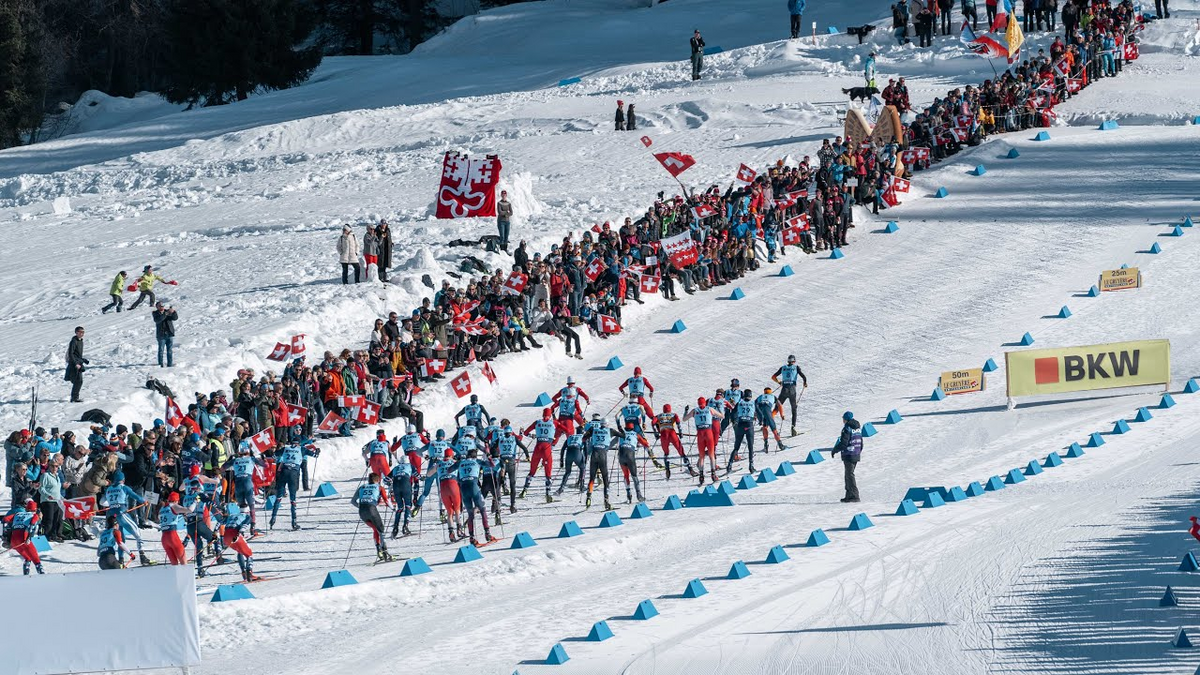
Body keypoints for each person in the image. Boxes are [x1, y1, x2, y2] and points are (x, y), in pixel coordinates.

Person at [104, 470, 152, 565]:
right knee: (137, 533)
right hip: (121, 513)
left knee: (120, 538)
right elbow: (135, 496)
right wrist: (144, 501)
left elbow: (102, 502)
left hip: (111, 515)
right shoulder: (124, 487)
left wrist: (112, 504)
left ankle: (121, 559)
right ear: (123, 479)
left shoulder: (108, 489)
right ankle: (142, 556)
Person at [271, 439, 317, 531]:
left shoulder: (285, 448)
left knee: (279, 497)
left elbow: (274, 455)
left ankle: (273, 519)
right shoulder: (301, 449)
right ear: (298, 444)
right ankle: (294, 522)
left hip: (284, 472)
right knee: (292, 499)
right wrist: (317, 451)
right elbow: (315, 455)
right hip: (293, 474)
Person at [351, 473, 394, 562]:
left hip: (362, 512)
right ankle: (385, 551)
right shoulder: (379, 487)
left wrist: (361, 506)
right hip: (372, 510)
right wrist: (393, 509)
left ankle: (378, 550)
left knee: (375, 529)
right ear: (378, 480)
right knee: (381, 530)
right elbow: (386, 500)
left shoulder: (362, 487)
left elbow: (353, 501)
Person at [520, 408, 559, 503]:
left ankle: (525, 490)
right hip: (547, 449)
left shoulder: (537, 422)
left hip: (538, 448)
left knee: (532, 471)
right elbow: (567, 430)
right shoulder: (554, 422)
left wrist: (532, 436)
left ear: (543, 414)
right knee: (548, 473)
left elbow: (525, 433)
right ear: (550, 415)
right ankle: (548, 494)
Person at [683, 397, 722, 485]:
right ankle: (713, 474)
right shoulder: (709, 409)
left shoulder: (694, 410)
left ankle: (701, 476)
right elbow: (721, 416)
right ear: (705, 403)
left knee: (701, 456)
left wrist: (685, 411)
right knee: (711, 455)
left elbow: (684, 419)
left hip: (700, 434)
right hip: (709, 433)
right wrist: (719, 409)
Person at [221, 502, 262, 581]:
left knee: (240, 551)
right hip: (235, 535)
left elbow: (221, 522)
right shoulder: (247, 516)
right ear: (247, 511)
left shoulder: (232, 515)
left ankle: (243, 572)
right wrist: (240, 533)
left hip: (226, 537)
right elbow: (244, 526)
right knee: (249, 554)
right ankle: (249, 573)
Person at [3, 501, 44, 574]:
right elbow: (35, 522)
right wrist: (40, 518)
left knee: (28, 558)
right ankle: (42, 574)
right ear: (35, 510)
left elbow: (5, 519)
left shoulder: (17, 514)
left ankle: (25, 574)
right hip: (24, 539)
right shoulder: (34, 515)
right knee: (36, 560)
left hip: (13, 541)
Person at [582, 414, 614, 510]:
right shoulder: (607, 429)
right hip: (602, 450)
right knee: (605, 478)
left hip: (592, 448)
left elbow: (584, 434)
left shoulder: (590, 425)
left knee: (590, 474)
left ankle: (588, 496)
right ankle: (606, 500)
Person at [830, 411, 863, 502]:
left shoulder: (847, 428)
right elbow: (861, 442)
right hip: (856, 453)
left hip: (849, 454)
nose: (843, 420)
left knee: (849, 475)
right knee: (848, 475)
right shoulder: (858, 428)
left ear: (846, 419)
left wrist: (835, 450)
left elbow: (844, 443)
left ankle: (855, 496)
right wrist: (858, 451)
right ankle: (849, 495)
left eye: (843, 418)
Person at [771, 354, 809, 435]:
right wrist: (805, 383)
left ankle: (767, 423)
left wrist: (779, 382)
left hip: (784, 389)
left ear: (788, 361)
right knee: (794, 409)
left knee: (777, 407)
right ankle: (793, 428)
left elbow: (773, 377)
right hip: (792, 390)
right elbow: (804, 377)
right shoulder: (796, 367)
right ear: (794, 361)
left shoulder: (783, 368)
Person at [653, 404, 693, 479]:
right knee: (681, 451)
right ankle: (690, 468)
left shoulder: (658, 416)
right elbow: (678, 422)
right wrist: (680, 432)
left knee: (666, 453)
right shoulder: (673, 415)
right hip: (672, 434)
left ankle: (667, 469)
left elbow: (653, 423)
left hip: (663, 435)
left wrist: (656, 434)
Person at [158, 492, 190, 566]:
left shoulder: (162, 508)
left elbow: (159, 518)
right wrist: (195, 501)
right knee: (183, 563)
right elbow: (189, 510)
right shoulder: (174, 506)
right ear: (176, 501)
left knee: (174, 564)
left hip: (164, 538)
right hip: (172, 537)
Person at [65, 326, 87, 403]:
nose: (82, 334)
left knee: (78, 381)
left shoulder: (80, 341)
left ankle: (74, 397)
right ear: (76, 332)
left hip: (78, 362)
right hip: (74, 364)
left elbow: (77, 354)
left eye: (83, 332)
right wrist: (76, 364)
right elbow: (71, 354)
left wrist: (83, 360)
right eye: (80, 332)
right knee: (78, 381)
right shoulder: (74, 341)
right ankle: (74, 398)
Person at [152, 302, 178, 368]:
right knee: (161, 350)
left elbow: (175, 318)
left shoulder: (167, 312)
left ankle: (170, 364)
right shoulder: (155, 313)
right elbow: (158, 320)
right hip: (161, 335)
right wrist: (165, 314)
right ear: (157, 307)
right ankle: (160, 365)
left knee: (169, 350)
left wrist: (173, 312)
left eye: (163, 306)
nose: (162, 307)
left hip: (169, 334)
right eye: (160, 306)